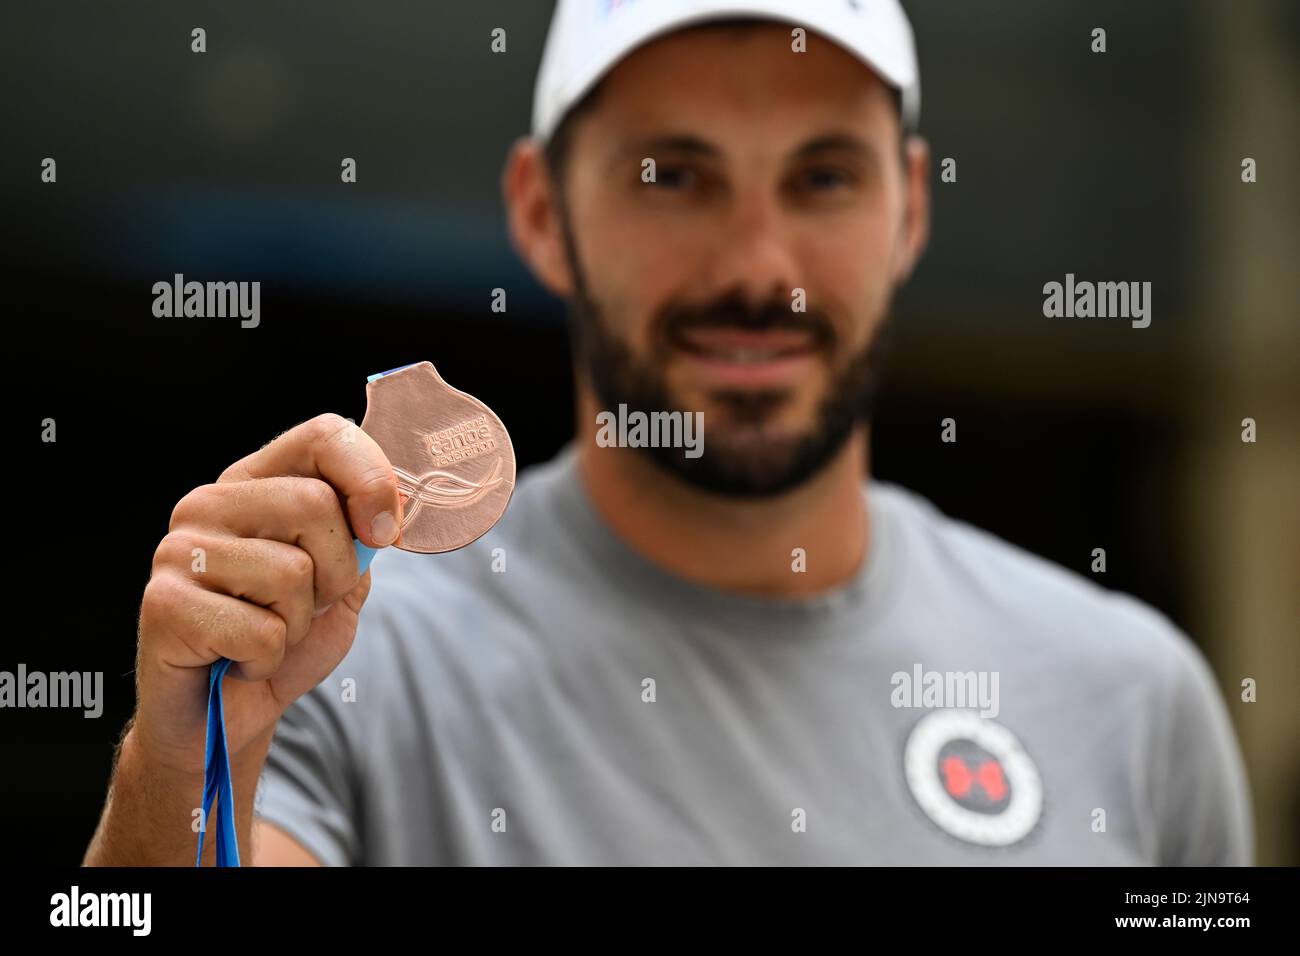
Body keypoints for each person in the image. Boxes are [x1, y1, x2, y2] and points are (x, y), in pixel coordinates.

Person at [84, 0, 1251, 866]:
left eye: (823, 178)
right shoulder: (339, 660)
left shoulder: (1132, 695)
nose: (757, 267)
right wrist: (176, 767)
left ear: (910, 211)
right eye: (674, 175)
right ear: (542, 213)